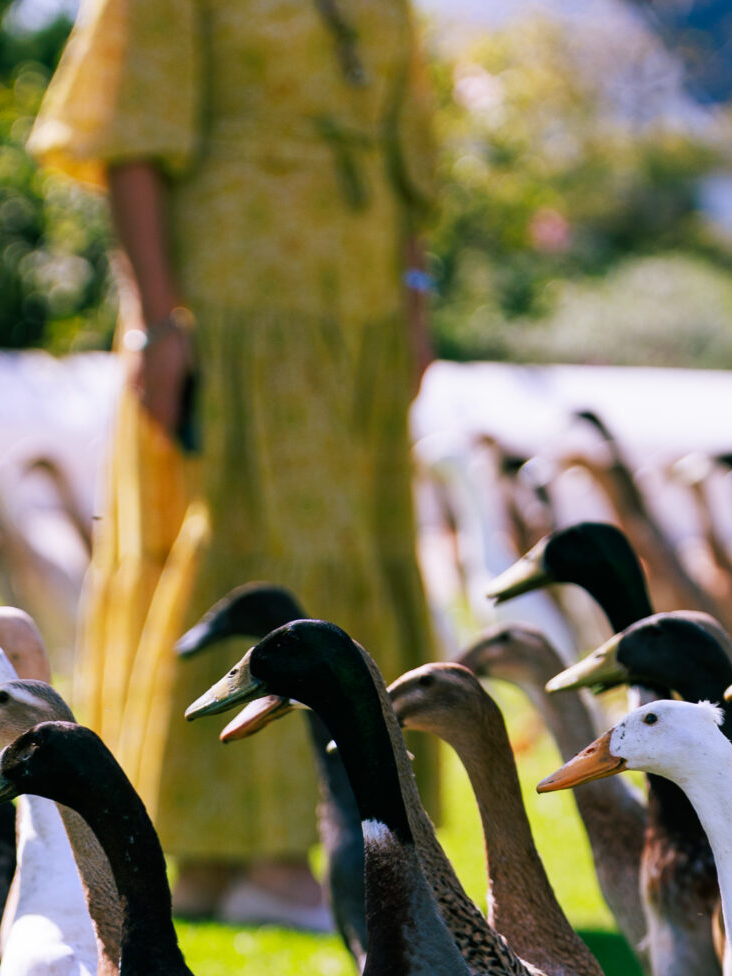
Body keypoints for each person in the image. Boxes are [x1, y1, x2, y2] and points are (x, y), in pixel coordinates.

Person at [33, 0, 441, 928]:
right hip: (231, 298)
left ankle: (297, 852)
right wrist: (156, 318)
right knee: (246, 555)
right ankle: (253, 855)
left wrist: (415, 299)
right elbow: (127, 140)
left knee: (341, 549)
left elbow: (405, 157)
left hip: (362, 303)